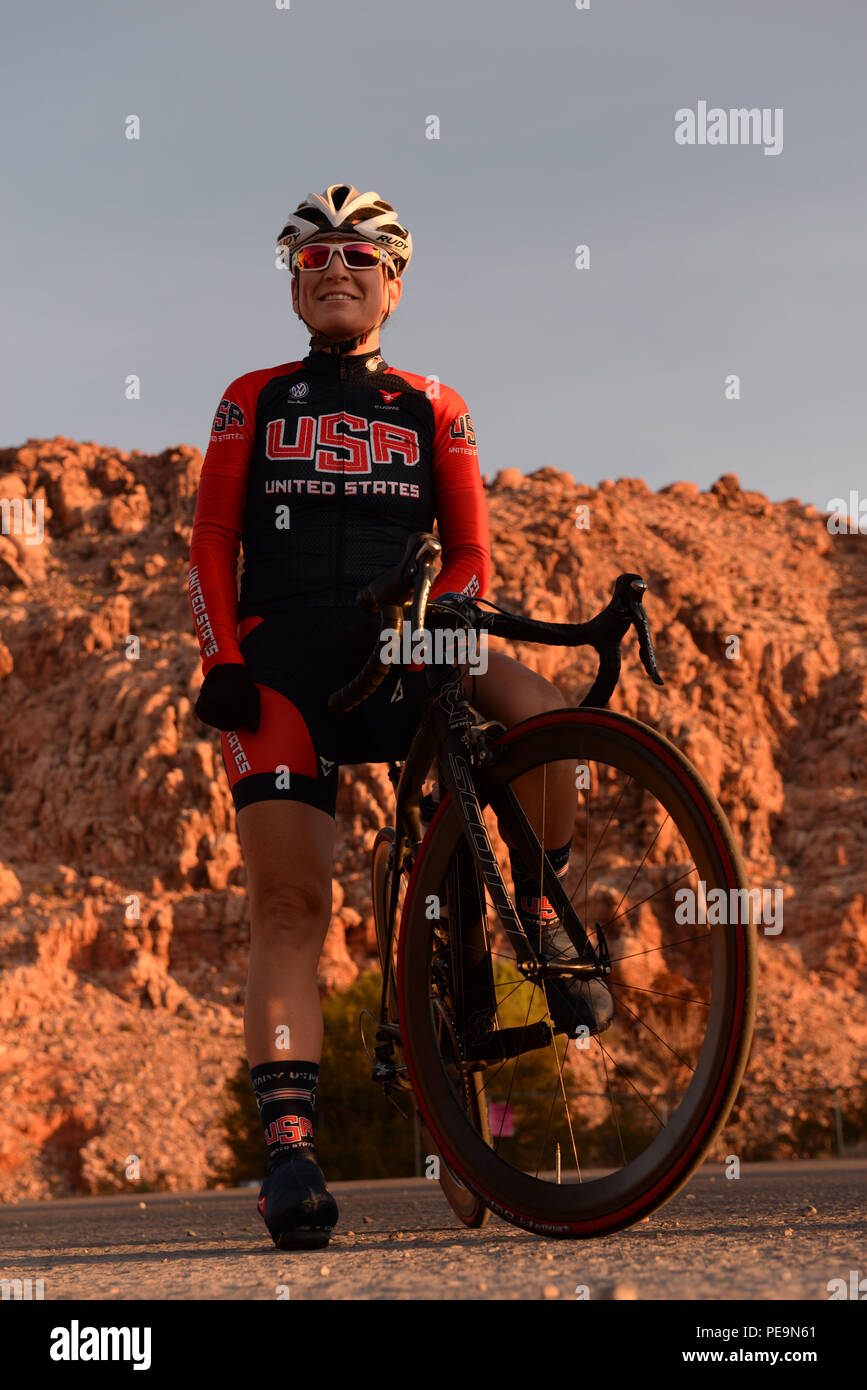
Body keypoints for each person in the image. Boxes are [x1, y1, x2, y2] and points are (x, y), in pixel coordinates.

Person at [188, 184, 612, 1251]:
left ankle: (537, 913)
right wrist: (222, 659)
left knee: (539, 708)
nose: (336, 268)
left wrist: (451, 616)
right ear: (293, 286)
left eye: (360, 255)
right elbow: (212, 540)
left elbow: (468, 551)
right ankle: (291, 1158)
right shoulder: (251, 397)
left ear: (395, 285)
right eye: (314, 256)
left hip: (405, 638)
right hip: (281, 664)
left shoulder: (435, 404)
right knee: (290, 903)